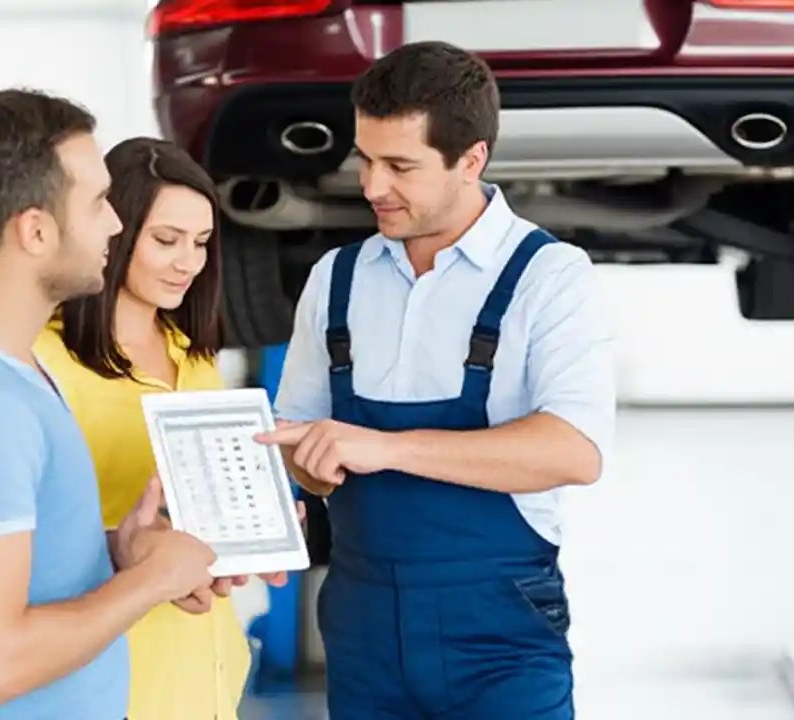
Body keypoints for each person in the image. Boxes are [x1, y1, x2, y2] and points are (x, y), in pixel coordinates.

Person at [256, 41, 616, 719]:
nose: (371, 187)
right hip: (361, 628)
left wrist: (386, 449)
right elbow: (299, 449)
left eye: (400, 166)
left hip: (500, 635)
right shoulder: (334, 279)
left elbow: (575, 449)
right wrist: (310, 465)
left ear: (471, 160)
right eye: (365, 158)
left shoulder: (550, 276)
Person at [0, 89, 219, 720]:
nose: (116, 224)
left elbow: (16, 562)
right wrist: (150, 581)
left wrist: (122, 548)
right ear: (34, 230)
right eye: (96, 204)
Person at [32, 137, 287, 720]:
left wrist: (253, 521)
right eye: (166, 240)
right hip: (112, 672)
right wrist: (131, 546)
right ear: (111, 231)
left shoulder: (193, 356)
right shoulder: (44, 359)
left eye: (200, 244)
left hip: (205, 667)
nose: (188, 263)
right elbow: (24, 543)